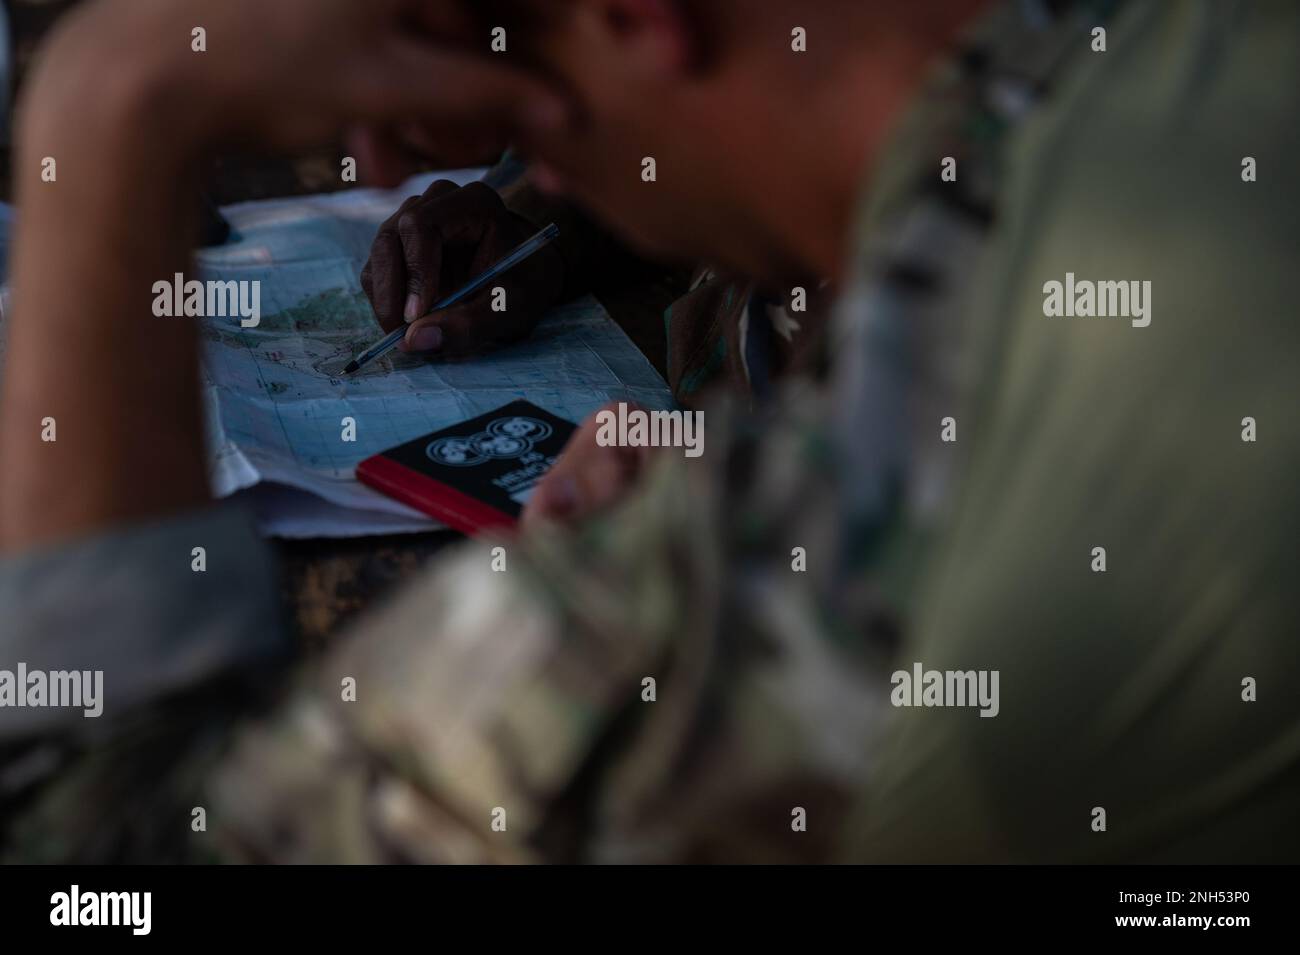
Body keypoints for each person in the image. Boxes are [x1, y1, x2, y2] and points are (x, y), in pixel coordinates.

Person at [3, 0, 1298, 865]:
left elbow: (101, 867)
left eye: (458, 46)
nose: (407, 139)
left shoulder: (823, 530)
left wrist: (114, 105)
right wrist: (572, 200)